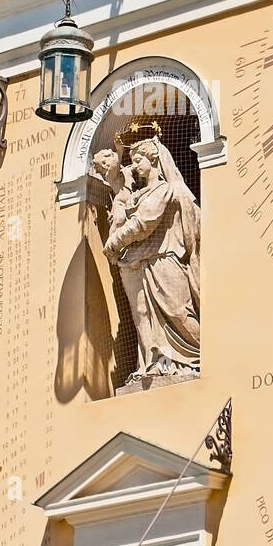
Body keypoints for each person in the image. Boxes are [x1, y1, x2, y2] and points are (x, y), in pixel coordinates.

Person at [102, 137, 200, 376]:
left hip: (166, 259)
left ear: (154, 159)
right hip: (140, 262)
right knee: (144, 317)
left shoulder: (165, 190)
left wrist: (114, 242)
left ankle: (195, 357)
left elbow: (144, 222)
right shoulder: (140, 193)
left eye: (138, 161)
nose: (134, 167)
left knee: (177, 311)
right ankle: (154, 362)